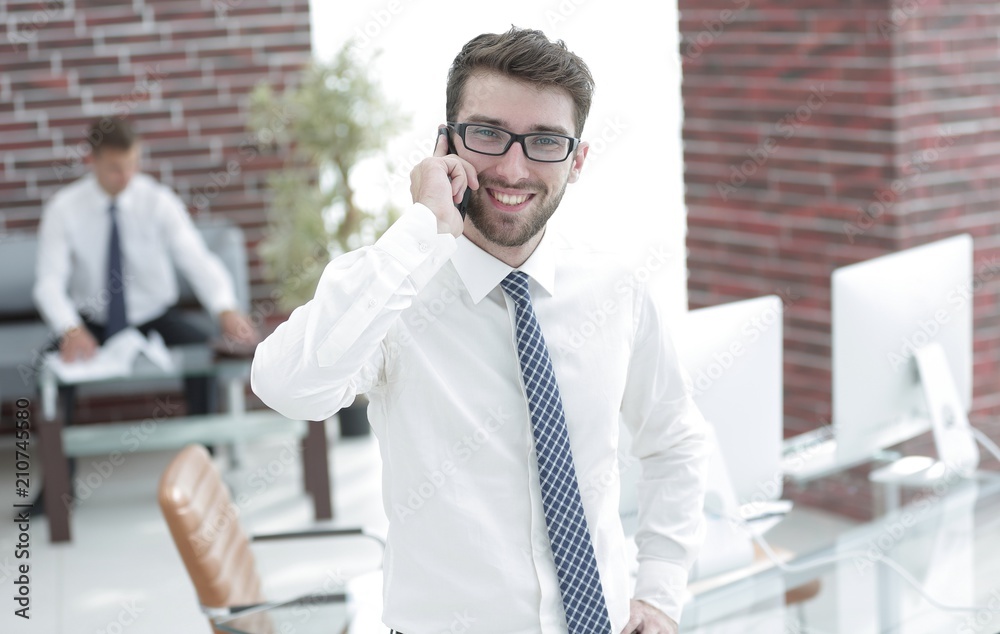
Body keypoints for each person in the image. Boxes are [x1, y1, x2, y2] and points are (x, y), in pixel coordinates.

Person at [252, 28, 708, 634]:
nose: (513, 168)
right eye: (488, 134)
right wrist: (422, 228)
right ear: (445, 144)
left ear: (577, 161)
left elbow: (674, 440)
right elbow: (286, 386)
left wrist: (659, 592)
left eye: (544, 141)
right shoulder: (394, 291)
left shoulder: (615, 289)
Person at [32, 116, 259, 509]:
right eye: (116, 167)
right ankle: (57, 484)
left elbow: (196, 259)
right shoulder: (64, 209)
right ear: (93, 160)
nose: (126, 175)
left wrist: (224, 308)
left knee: (203, 353)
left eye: (133, 164)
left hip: (156, 315)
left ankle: (203, 472)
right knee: (48, 370)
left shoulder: (158, 201)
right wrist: (69, 328)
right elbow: (48, 283)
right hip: (93, 322)